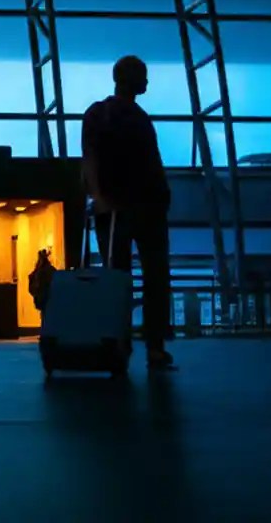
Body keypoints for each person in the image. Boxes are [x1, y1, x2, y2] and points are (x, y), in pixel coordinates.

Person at [82, 55, 175, 370]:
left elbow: (90, 158)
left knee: (118, 278)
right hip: (142, 206)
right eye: (143, 76)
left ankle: (120, 343)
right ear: (129, 79)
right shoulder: (138, 118)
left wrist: (98, 197)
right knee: (155, 277)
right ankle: (154, 346)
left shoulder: (100, 114)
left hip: (117, 207)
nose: (147, 82)